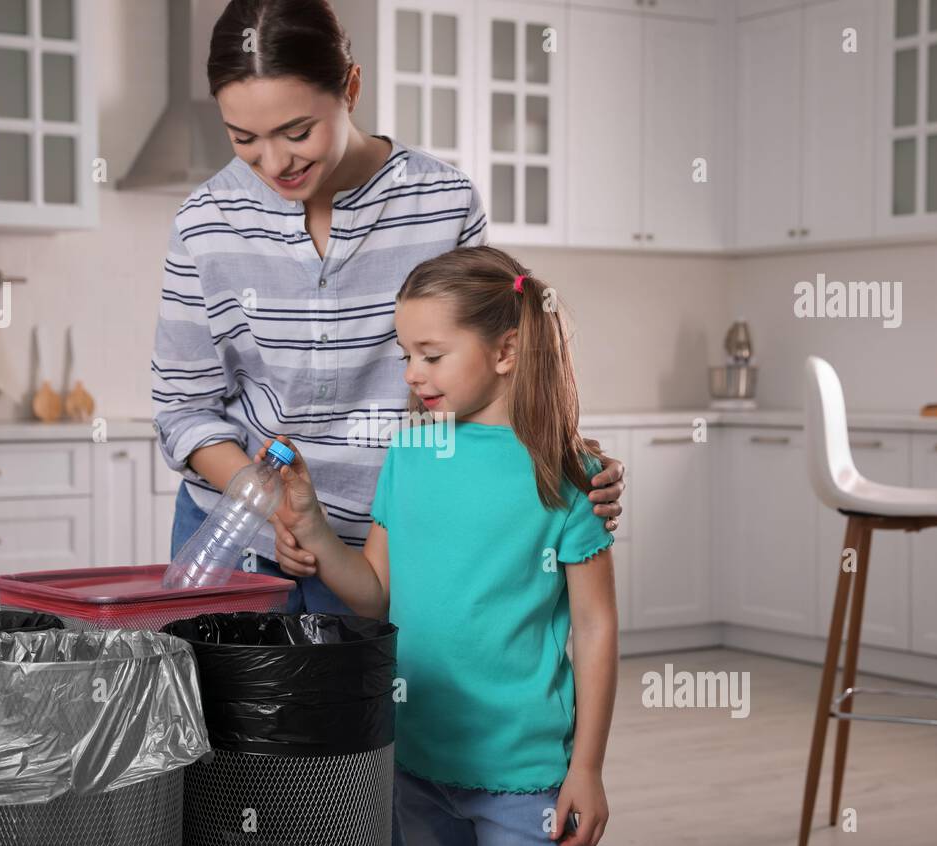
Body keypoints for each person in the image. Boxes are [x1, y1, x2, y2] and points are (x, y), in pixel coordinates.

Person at [152, 0, 626, 620]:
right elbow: (184, 408)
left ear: (351, 86)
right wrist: (277, 507)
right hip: (237, 545)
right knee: (220, 718)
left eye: (297, 132)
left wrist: (566, 458)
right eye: (244, 139)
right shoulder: (205, 221)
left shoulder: (443, 202)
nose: (274, 163)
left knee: (372, 716)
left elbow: (487, 375)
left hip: (396, 545)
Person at [259, 246, 619, 846]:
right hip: (417, 756)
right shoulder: (410, 453)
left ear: (506, 352)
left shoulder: (568, 478)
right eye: (406, 356)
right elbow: (375, 592)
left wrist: (586, 768)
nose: (410, 374)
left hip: (522, 773)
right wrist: (314, 528)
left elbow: (595, 627)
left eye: (431, 355)